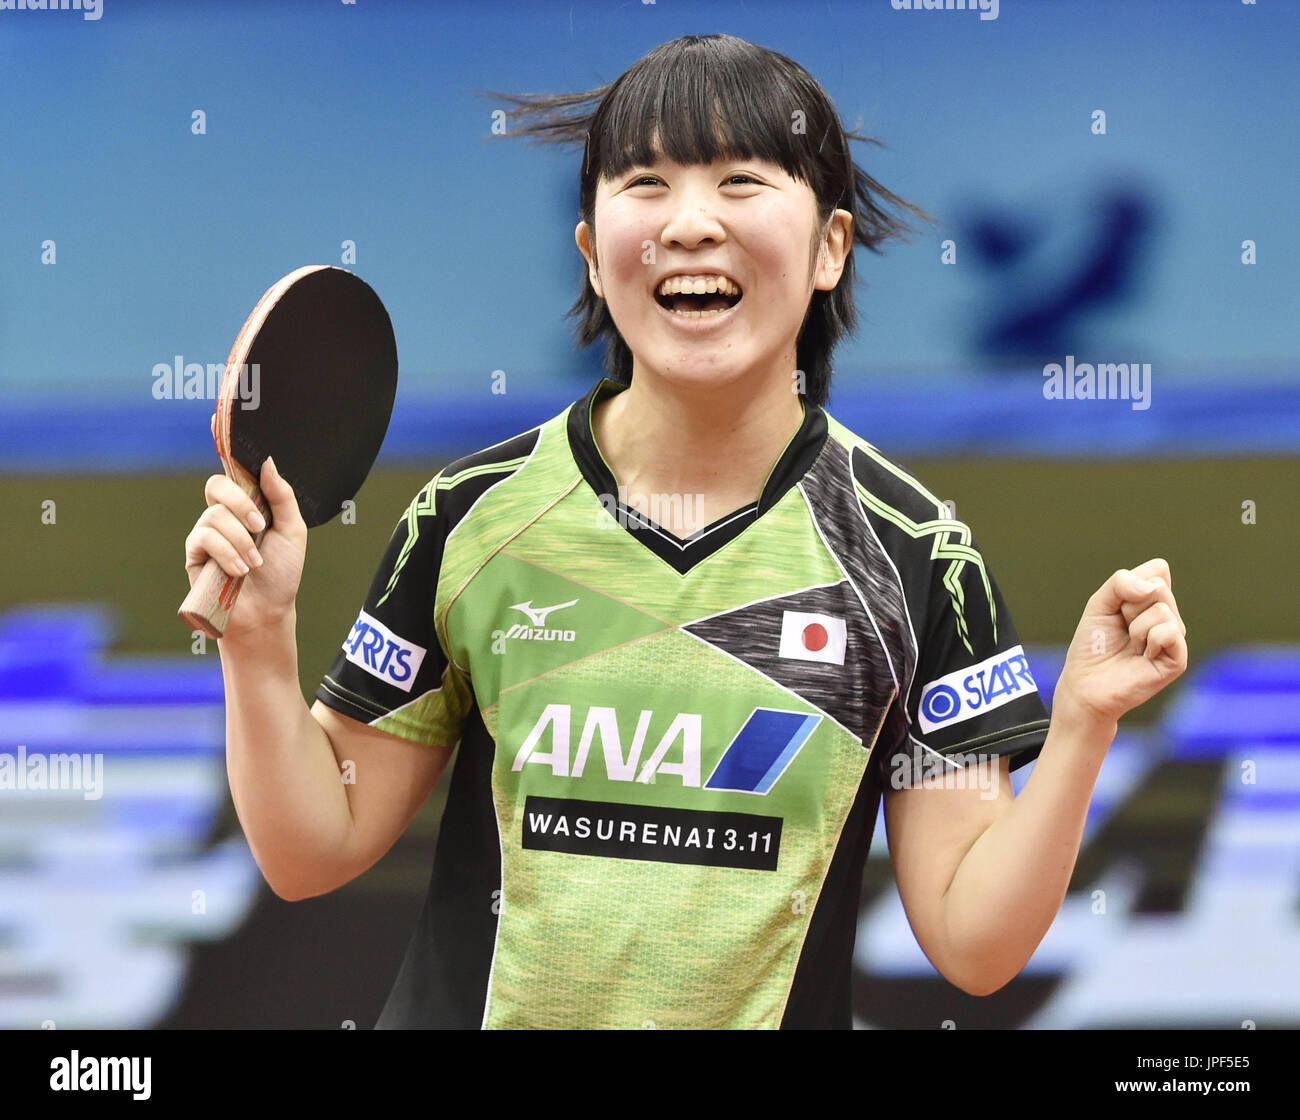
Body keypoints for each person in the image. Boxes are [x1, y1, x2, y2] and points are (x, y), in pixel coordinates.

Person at [183, 34, 1187, 1029]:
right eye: (646, 183)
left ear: (830, 245)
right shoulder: (470, 515)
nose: (690, 223)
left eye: (742, 179)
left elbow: (974, 942)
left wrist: (1082, 727)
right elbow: (313, 847)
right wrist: (260, 641)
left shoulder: (916, 557)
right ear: (590, 245)